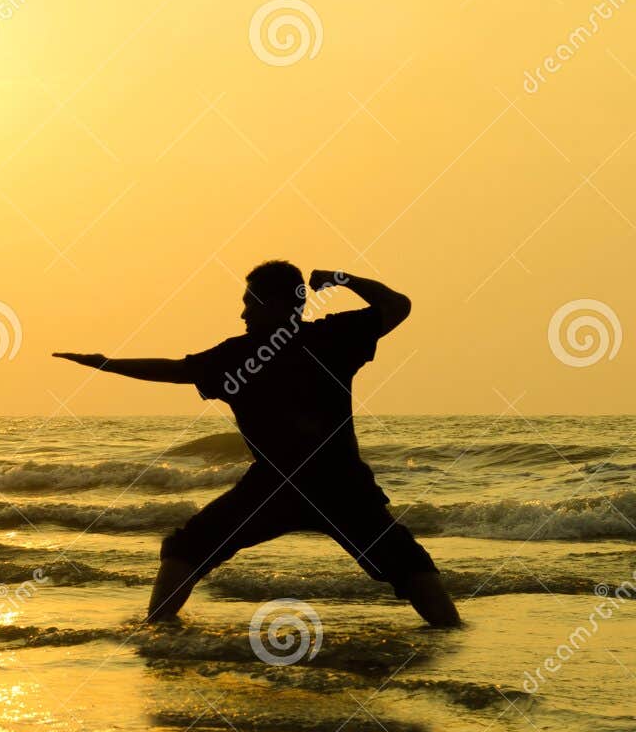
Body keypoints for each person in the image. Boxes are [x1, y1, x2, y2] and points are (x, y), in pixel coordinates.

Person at [55, 261, 460, 627]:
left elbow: (175, 371)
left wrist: (107, 364)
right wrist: (343, 280)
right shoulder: (330, 338)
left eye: (251, 303)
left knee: (405, 562)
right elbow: (396, 306)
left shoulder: (290, 345)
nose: (243, 312)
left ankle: (155, 630)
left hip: (311, 486)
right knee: (188, 546)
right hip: (300, 486)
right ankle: (156, 629)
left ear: (282, 303)